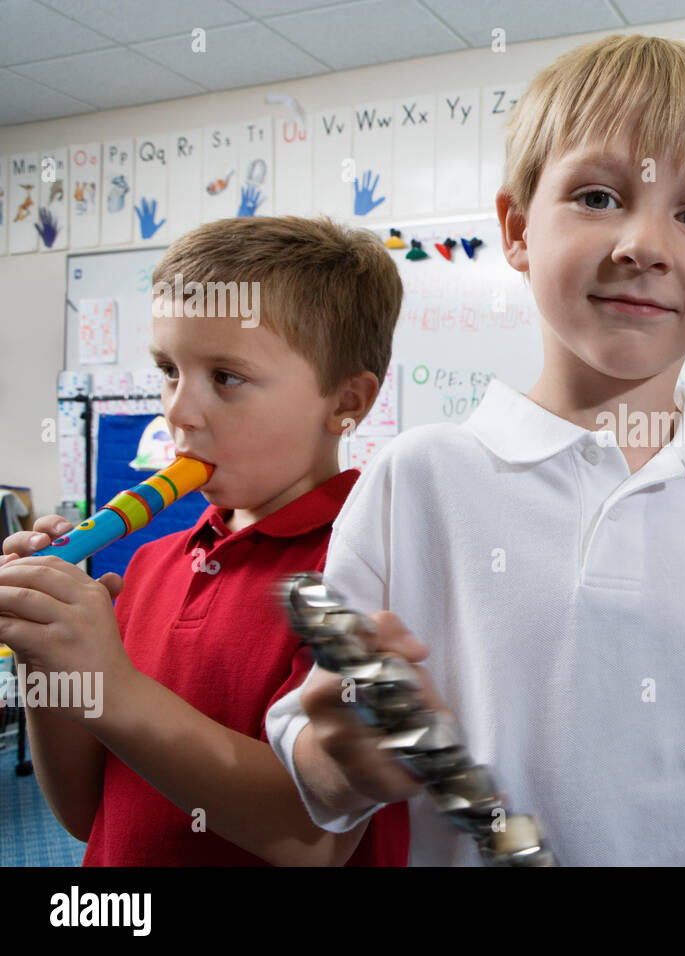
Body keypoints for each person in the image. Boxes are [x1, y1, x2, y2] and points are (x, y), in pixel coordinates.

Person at [266, 34, 685, 866]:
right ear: (515, 228)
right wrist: (343, 758)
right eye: (596, 196)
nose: (643, 245)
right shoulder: (417, 479)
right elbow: (314, 747)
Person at [0, 216, 409, 865]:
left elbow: (313, 841)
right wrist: (45, 648)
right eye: (169, 370)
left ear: (346, 401)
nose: (177, 410)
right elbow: (84, 814)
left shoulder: (369, 567)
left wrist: (112, 687)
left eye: (226, 377)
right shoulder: (150, 564)